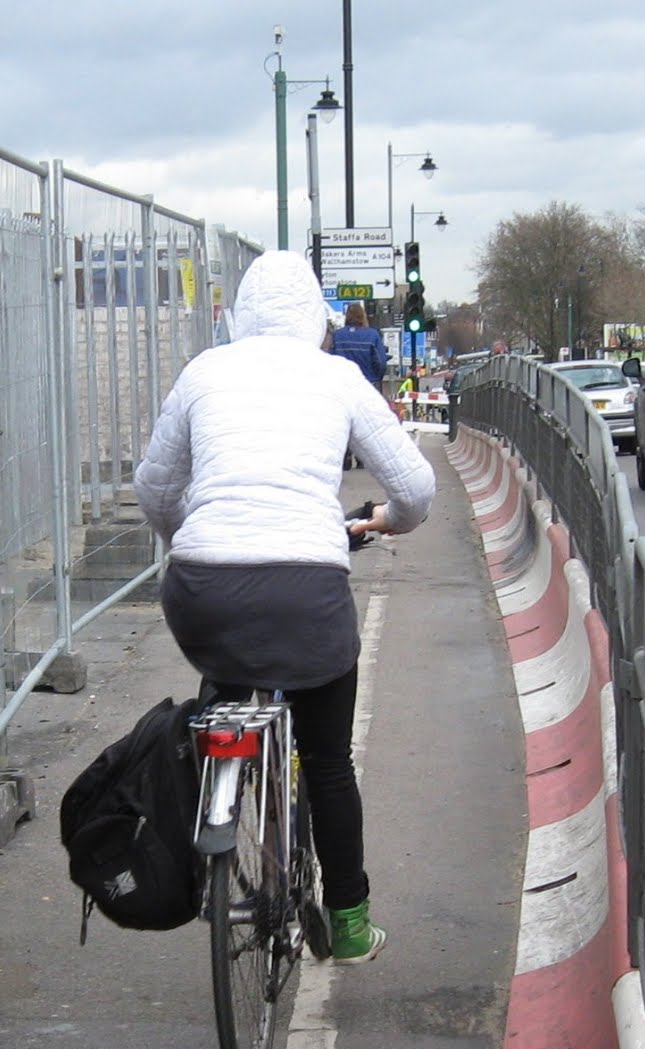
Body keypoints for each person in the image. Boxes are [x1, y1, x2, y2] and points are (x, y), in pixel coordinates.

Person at [133, 250, 435, 964]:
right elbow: (417, 489)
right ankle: (352, 924)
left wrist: (198, 535)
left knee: (228, 685)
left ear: (241, 317)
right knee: (327, 759)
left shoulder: (204, 372)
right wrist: (386, 521)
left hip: (202, 592)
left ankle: (219, 784)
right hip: (306, 593)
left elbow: (154, 489)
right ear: (315, 321)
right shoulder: (338, 378)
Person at [329, 302, 388, 389]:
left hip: (343, 384)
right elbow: (381, 363)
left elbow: (331, 359)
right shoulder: (372, 335)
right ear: (363, 316)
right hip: (367, 383)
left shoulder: (337, 335)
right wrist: (376, 378)